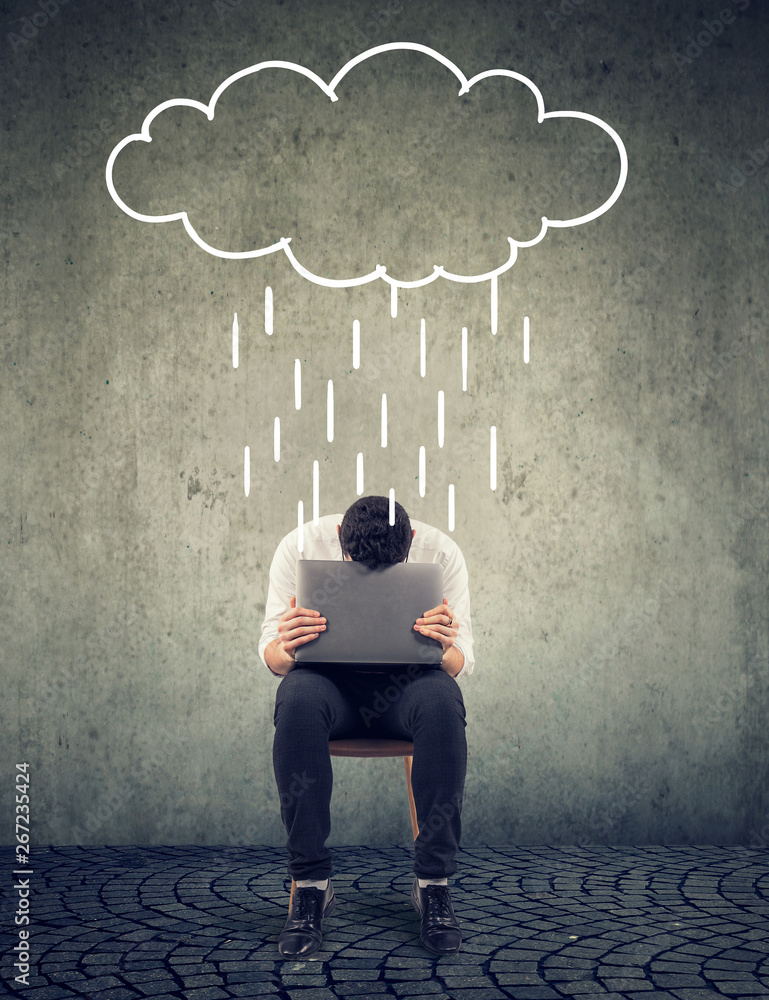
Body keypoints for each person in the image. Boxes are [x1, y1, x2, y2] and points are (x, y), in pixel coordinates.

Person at [260, 495, 473, 959]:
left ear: (411, 541)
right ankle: (311, 885)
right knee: (294, 696)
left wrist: (443, 643)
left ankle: (433, 883)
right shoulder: (299, 546)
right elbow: (271, 657)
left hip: (408, 689)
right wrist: (286, 643)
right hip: (327, 689)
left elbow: (462, 661)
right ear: (340, 539)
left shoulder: (441, 553)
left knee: (443, 699)